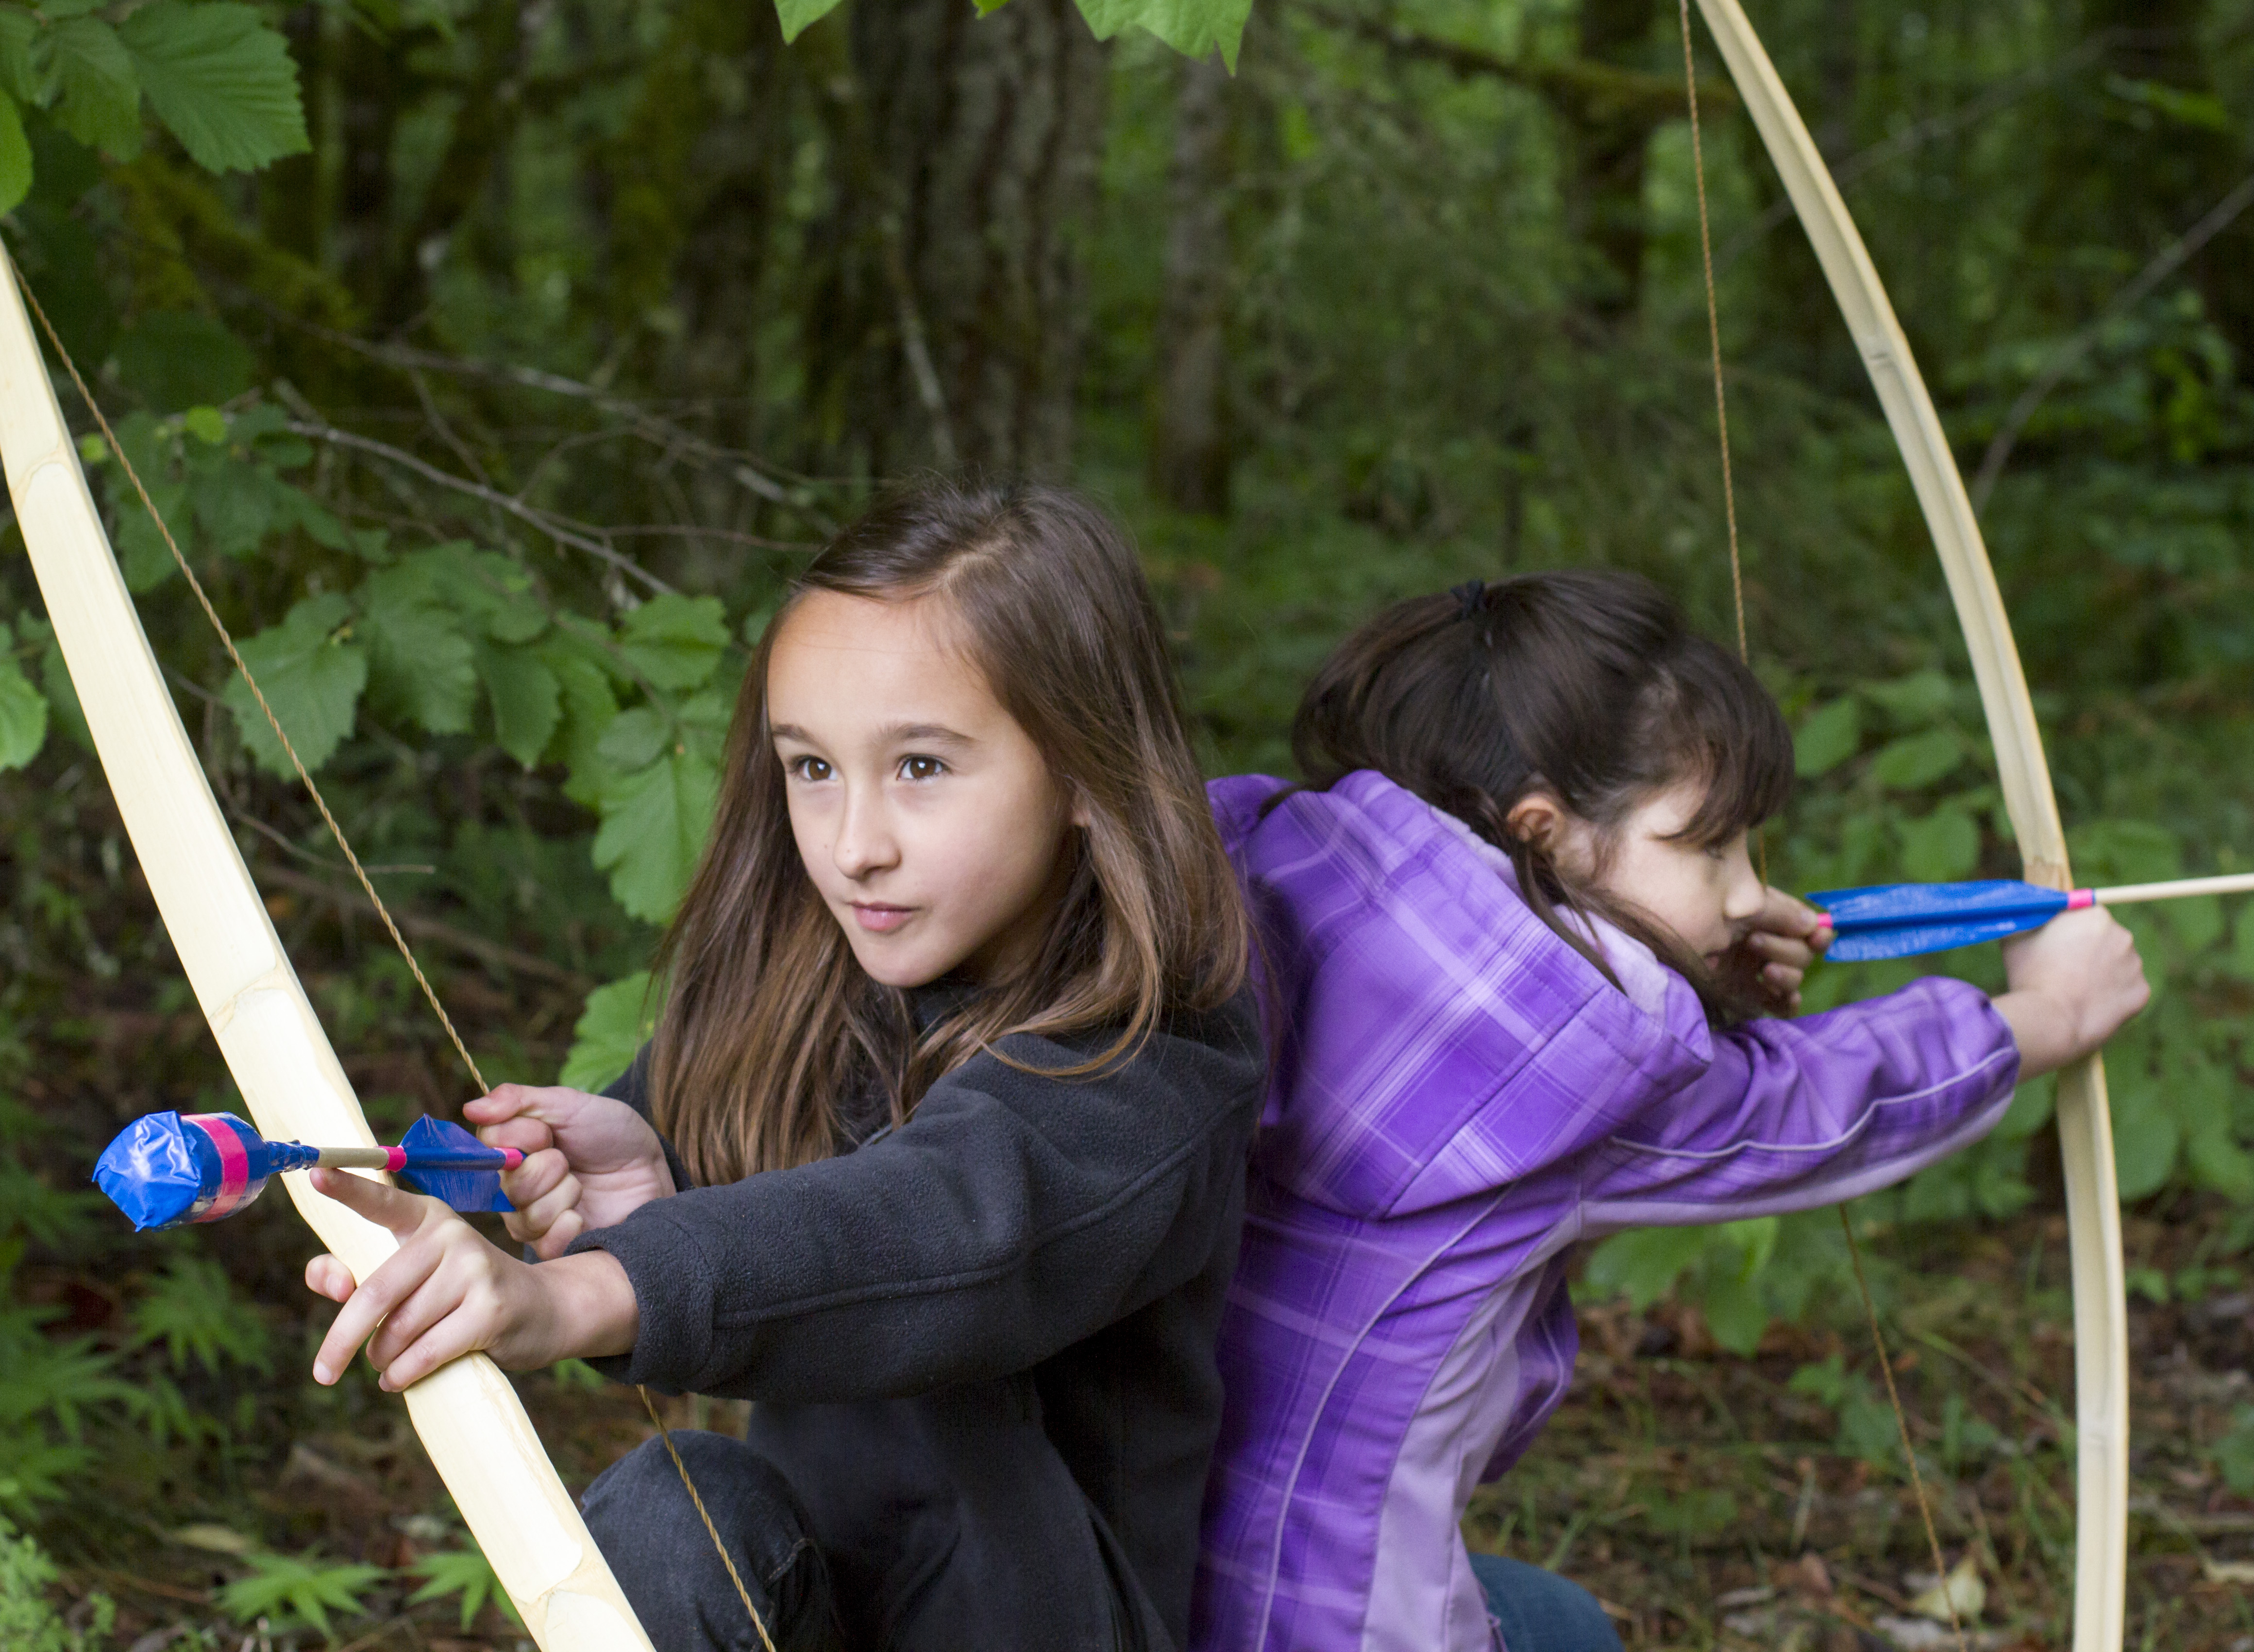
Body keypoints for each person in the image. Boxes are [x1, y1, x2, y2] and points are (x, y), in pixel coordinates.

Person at [299, 481, 1265, 1652]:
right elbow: (759, 1248)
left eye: (920, 767)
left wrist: (583, 1293)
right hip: (812, 1603)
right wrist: (651, 1171)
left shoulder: (1156, 1057)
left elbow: (948, 1230)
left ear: (1077, 770)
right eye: (812, 768)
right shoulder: (820, 988)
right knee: (672, 1518)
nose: (854, 845)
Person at [1191, 571, 2149, 1652]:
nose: (1746, 893)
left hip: (1159, 1562)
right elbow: (1810, 1107)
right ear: (1542, 835)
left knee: (1563, 1624)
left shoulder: (1297, 873)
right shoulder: (1579, 1059)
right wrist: (2047, 1016)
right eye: (1707, 849)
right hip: (1353, 1615)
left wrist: (1691, 979)